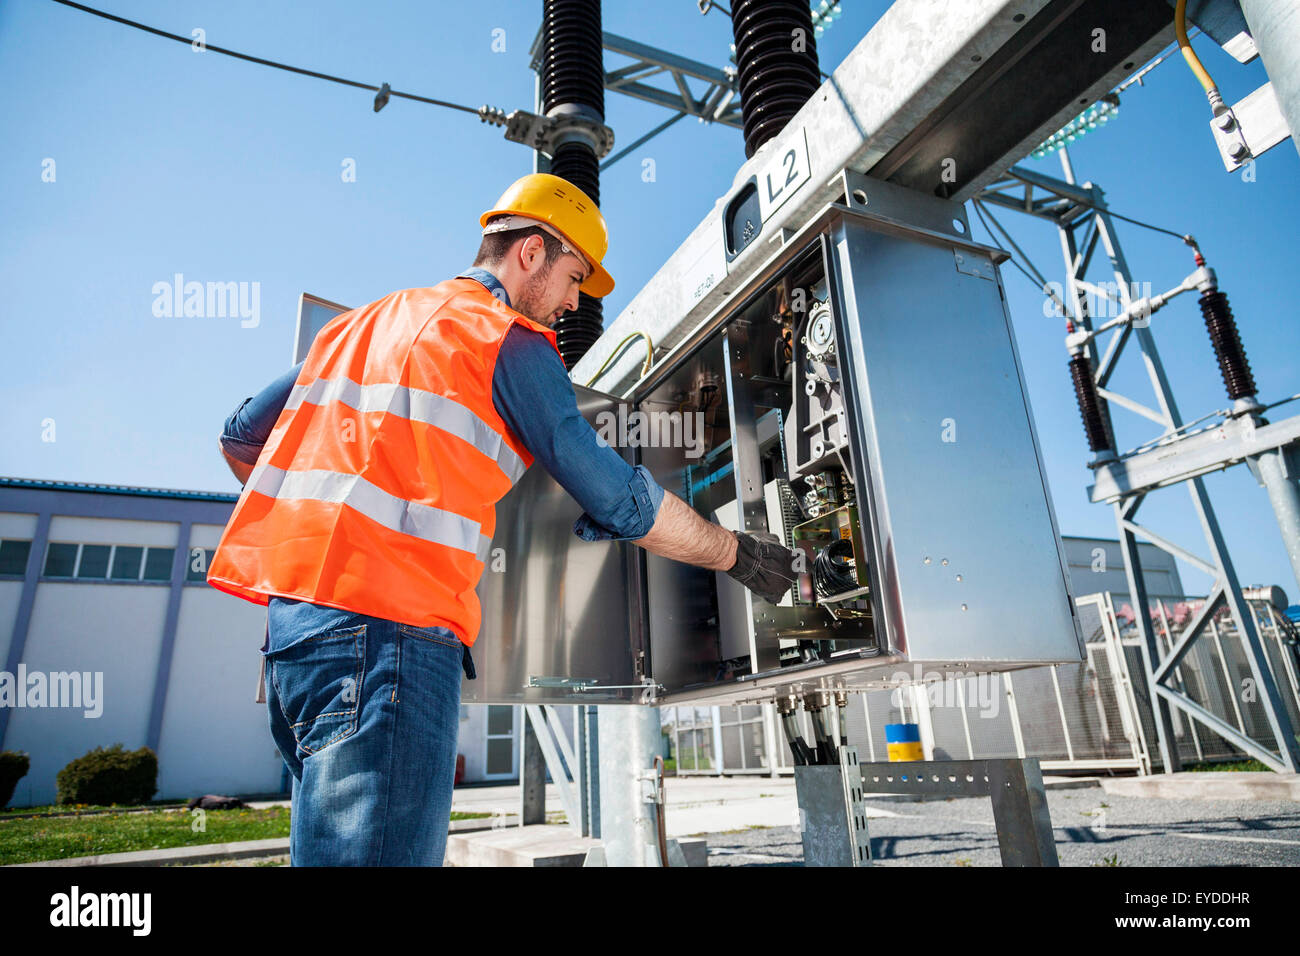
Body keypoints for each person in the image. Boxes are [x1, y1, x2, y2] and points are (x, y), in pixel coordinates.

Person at [207, 172, 798, 866]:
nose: (574, 303)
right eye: (574, 277)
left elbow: (241, 437)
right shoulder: (505, 339)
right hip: (389, 642)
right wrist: (738, 555)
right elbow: (618, 498)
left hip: (295, 642)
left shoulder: (357, 325)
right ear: (530, 254)